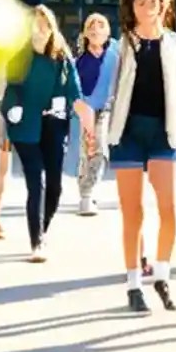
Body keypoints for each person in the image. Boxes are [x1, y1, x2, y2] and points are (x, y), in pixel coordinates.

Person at [99, 0, 176, 313]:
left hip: (162, 133)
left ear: (164, 3)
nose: (149, 3)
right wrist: (95, 126)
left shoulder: (175, 43)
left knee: (169, 209)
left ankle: (162, 276)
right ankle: (133, 284)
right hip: (127, 134)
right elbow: (105, 89)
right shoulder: (121, 45)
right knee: (133, 212)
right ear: (131, 6)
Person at [1, 5, 94, 262]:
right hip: (26, 127)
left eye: (45, 25)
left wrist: (84, 119)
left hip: (54, 127)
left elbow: (75, 92)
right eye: (36, 25)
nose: (40, 30)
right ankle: (36, 241)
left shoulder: (62, 58)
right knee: (36, 182)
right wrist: (13, 109)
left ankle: (42, 229)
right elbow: (11, 91)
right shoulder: (19, 58)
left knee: (54, 186)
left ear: (52, 28)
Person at [74, 13, 119, 216]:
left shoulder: (115, 55)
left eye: (101, 25)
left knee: (99, 149)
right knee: (88, 150)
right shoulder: (79, 61)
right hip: (87, 111)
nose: (95, 29)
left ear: (107, 31)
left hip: (108, 109)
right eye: (91, 25)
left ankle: (88, 192)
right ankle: (85, 192)